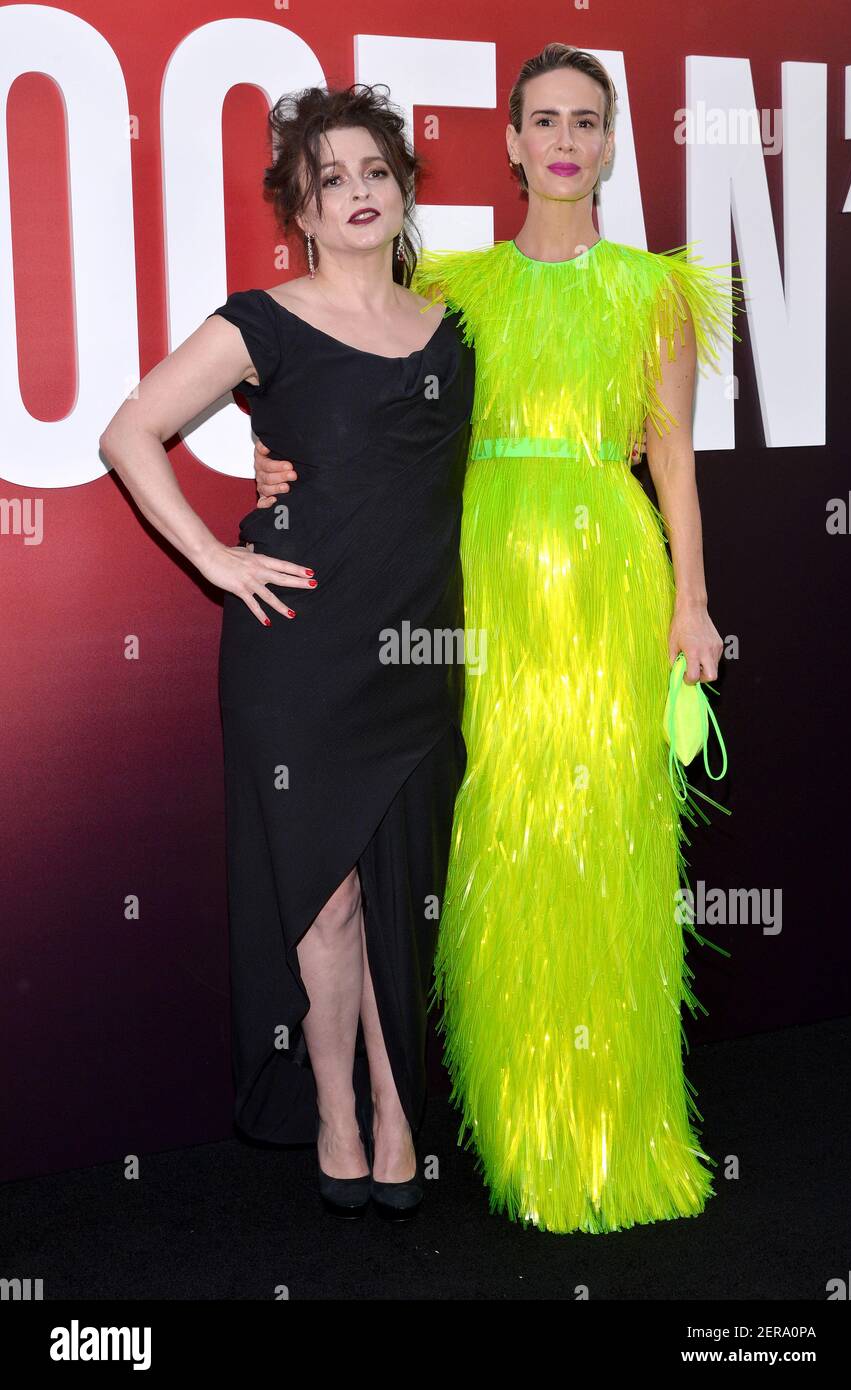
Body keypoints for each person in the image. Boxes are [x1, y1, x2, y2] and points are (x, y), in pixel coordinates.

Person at [253, 44, 745, 1235]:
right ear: (513, 144)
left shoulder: (653, 290)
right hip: (470, 599)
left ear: (609, 143)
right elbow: (358, 394)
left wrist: (691, 599)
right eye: (544, 120)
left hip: (606, 584)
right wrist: (277, 468)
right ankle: (516, 1128)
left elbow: (670, 455)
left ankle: (612, 1133)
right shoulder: (460, 287)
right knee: (497, 850)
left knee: (605, 850)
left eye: (588, 120)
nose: (566, 139)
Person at [99, 84, 475, 1221]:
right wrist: (219, 555)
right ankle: (335, 1110)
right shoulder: (261, 320)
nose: (357, 193)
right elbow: (129, 430)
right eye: (331, 181)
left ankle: (401, 1108)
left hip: (418, 651)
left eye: (375, 172)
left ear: (404, 191)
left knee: (400, 886)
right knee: (323, 898)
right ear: (301, 212)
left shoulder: (460, 327)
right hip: (297, 650)